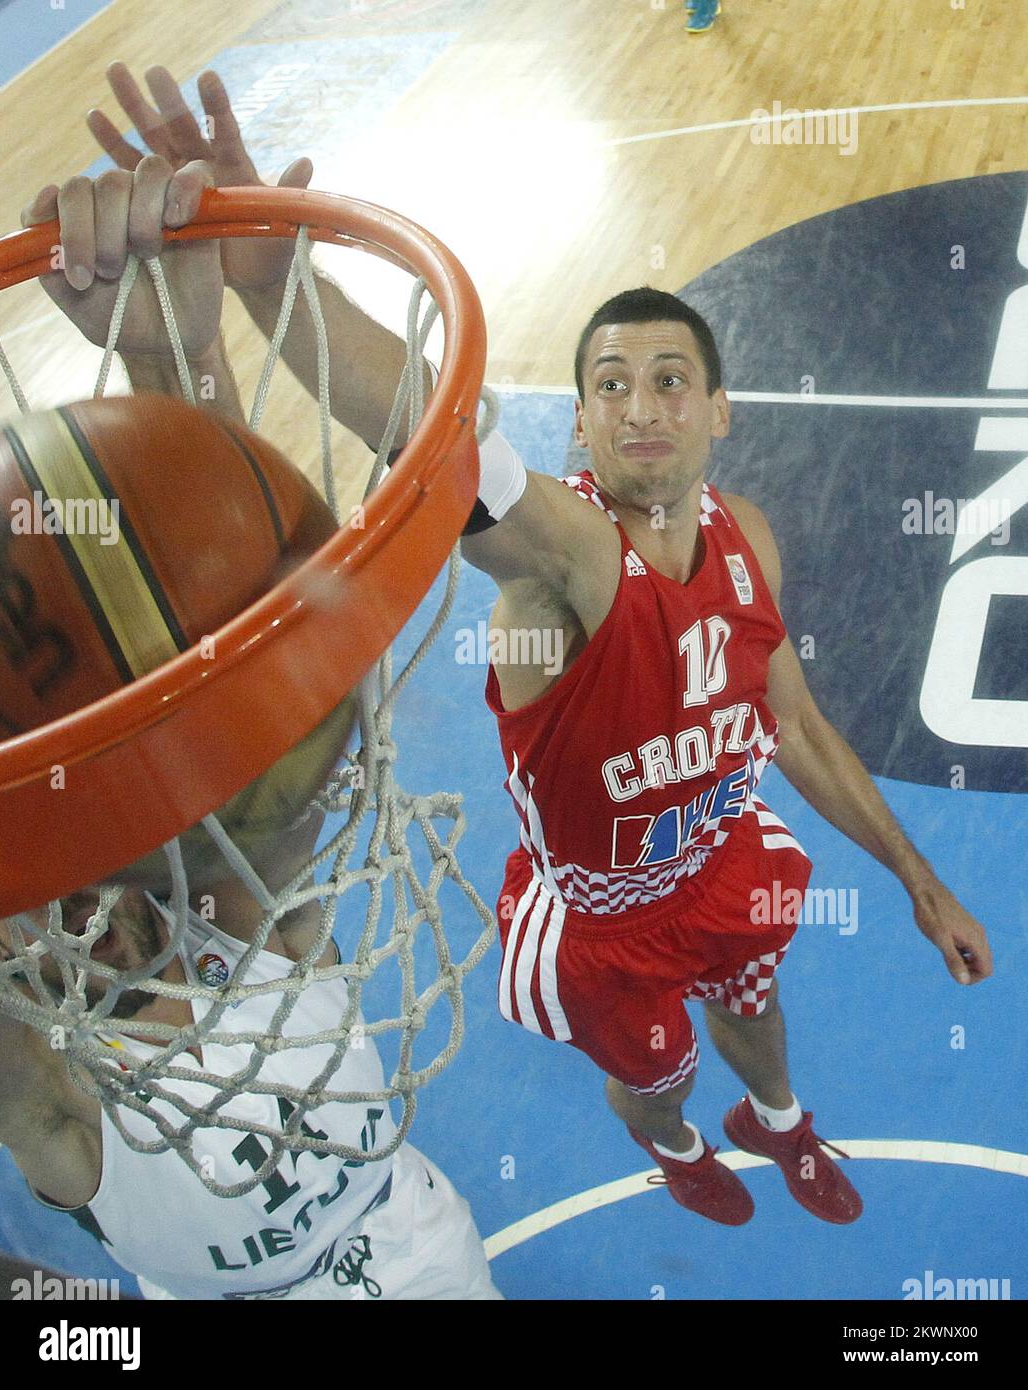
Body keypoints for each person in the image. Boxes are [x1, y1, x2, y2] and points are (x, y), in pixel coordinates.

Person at [80, 64, 993, 1230]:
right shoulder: (564, 564)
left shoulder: (746, 537)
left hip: (715, 859)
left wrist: (918, 882)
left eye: (671, 381)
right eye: (610, 384)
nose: (640, 404)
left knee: (757, 1008)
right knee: (655, 1076)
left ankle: (775, 1116)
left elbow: (796, 720)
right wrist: (281, 284)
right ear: (580, 424)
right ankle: (670, 1143)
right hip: (603, 923)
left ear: (720, 413)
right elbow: (440, 431)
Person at [0, 151, 500, 1302]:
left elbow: (251, 655)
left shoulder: (247, 914)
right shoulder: (58, 1097)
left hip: (423, 1250)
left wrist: (170, 353)